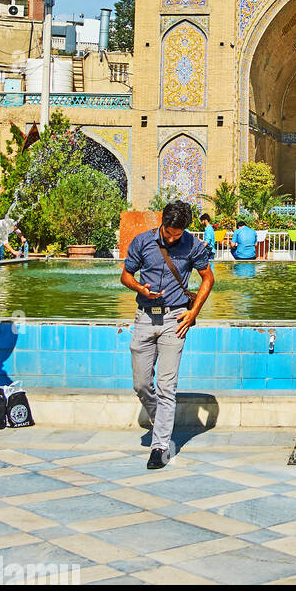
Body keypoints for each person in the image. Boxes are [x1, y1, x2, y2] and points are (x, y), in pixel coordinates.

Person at [121, 200, 214, 470]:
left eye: (177, 235)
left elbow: (208, 278)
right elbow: (125, 276)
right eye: (168, 233)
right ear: (162, 222)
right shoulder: (143, 242)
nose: (172, 239)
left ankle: (160, 446)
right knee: (141, 384)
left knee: (166, 386)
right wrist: (140, 288)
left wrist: (193, 312)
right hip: (144, 317)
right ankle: (159, 417)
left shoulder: (193, 245)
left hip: (175, 320)